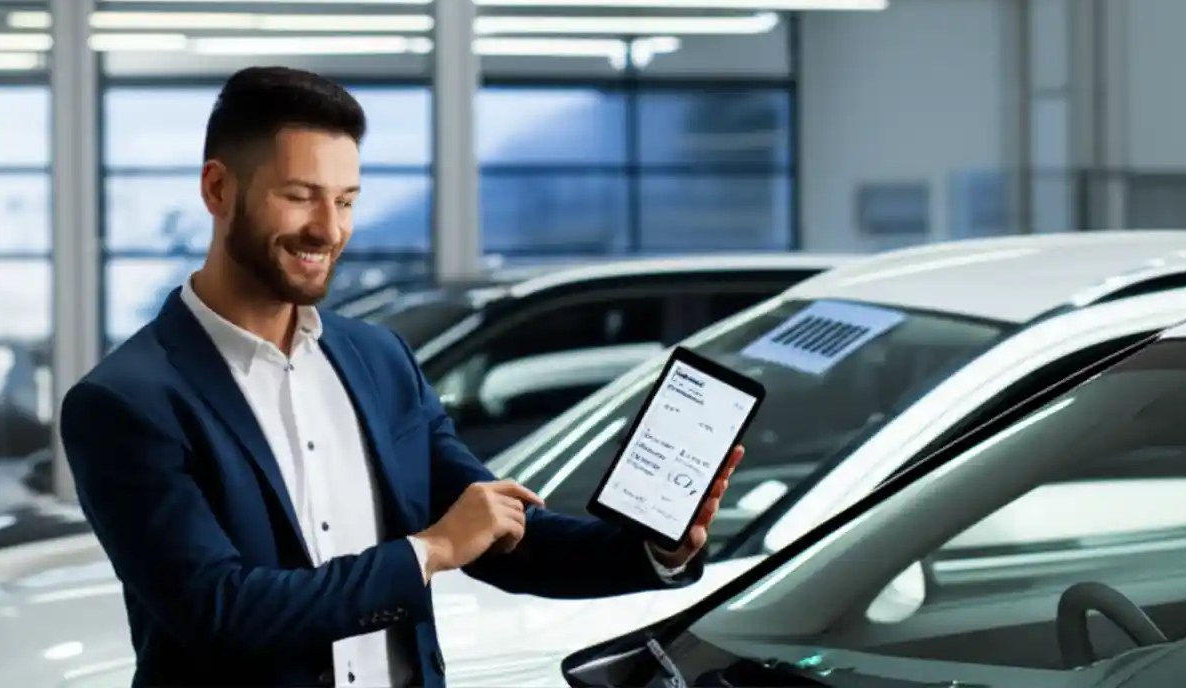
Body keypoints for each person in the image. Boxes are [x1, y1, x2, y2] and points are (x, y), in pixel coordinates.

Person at [59, 66, 744, 688]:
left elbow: (499, 534)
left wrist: (654, 547)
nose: (328, 229)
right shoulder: (125, 402)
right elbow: (221, 610)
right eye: (300, 197)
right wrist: (431, 550)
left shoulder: (377, 360)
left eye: (347, 200)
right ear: (218, 189)